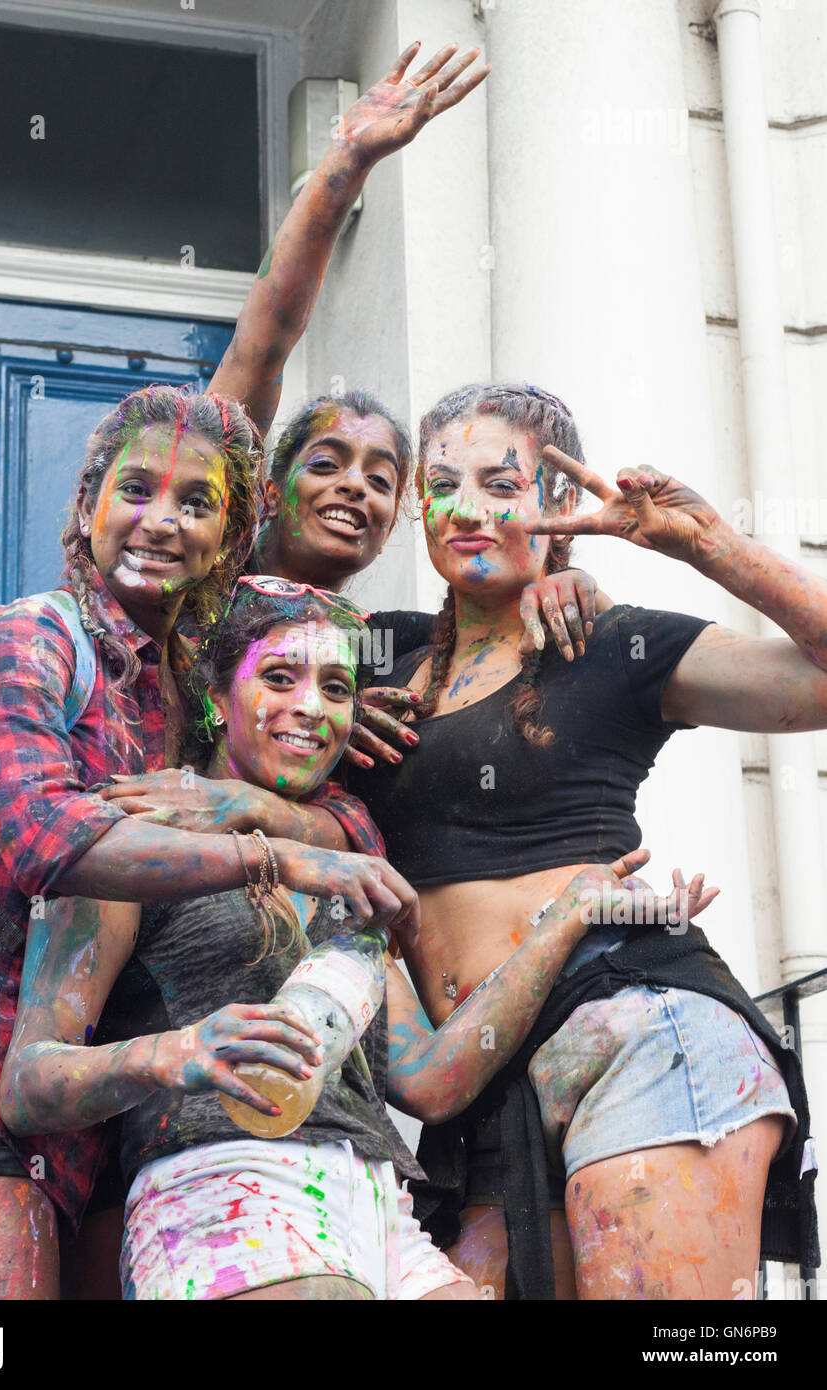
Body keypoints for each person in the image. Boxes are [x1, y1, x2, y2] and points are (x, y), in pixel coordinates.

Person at [0, 578, 711, 1300]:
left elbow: (430, 1082)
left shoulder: (346, 879)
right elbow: (27, 1085)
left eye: (336, 687)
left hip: (377, 1202)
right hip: (221, 1185)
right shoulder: (135, 841)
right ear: (215, 697)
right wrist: (177, 1053)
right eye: (279, 678)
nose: (310, 707)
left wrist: (566, 917)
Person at [0, 387, 415, 1300]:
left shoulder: (197, 689)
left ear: (231, 536)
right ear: (88, 506)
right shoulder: (26, 640)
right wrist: (275, 854)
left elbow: (345, 824)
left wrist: (258, 802)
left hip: (107, 1114)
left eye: (196, 503)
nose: (161, 522)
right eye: (135, 493)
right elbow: (46, 837)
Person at [345, 382, 820, 1300]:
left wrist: (705, 546)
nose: (468, 508)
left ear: (559, 506)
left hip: (638, 1031)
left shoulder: (610, 644)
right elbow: (230, 645)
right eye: (441, 484)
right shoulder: (373, 655)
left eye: (501, 483)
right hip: (480, 1089)